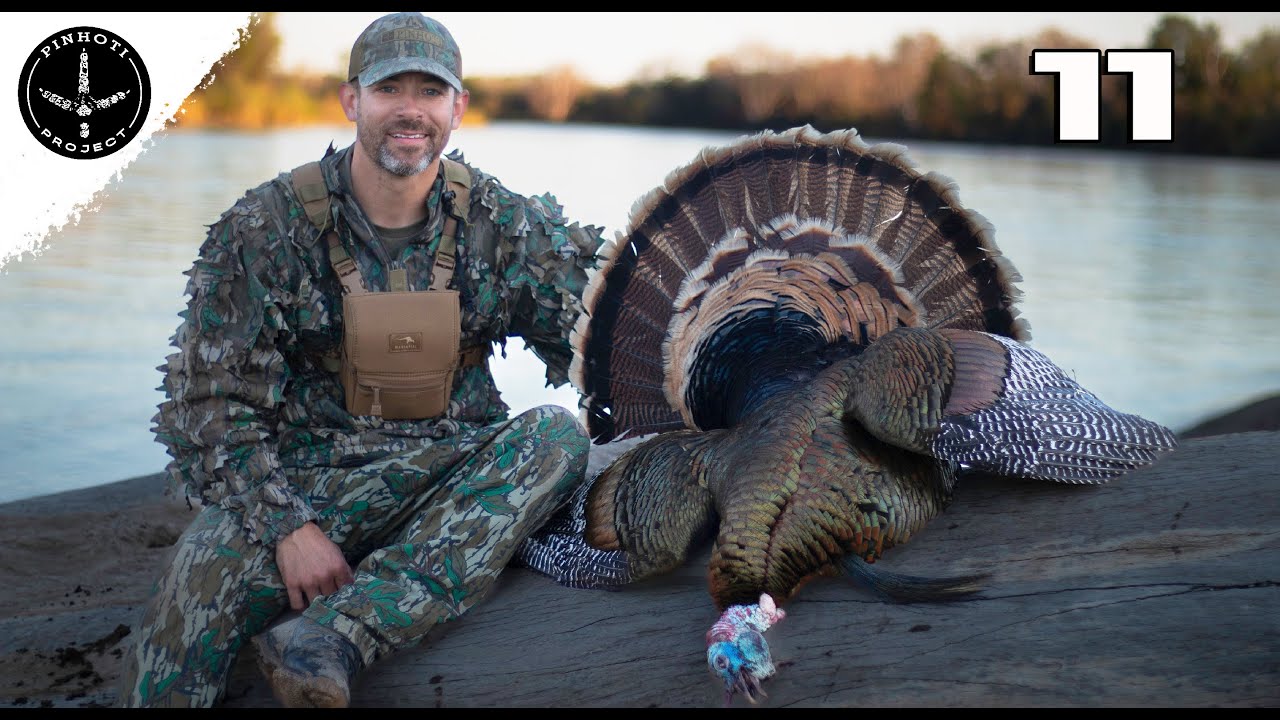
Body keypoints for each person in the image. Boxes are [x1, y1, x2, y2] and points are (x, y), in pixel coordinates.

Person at [118, 12, 604, 708]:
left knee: (556, 435)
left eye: (431, 92)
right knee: (189, 598)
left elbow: (601, 330)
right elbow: (207, 409)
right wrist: (291, 530)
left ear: (457, 108)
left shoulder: (505, 224)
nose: (410, 110)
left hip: (448, 474)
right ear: (353, 101)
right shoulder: (265, 228)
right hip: (308, 483)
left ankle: (333, 636)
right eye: (389, 89)